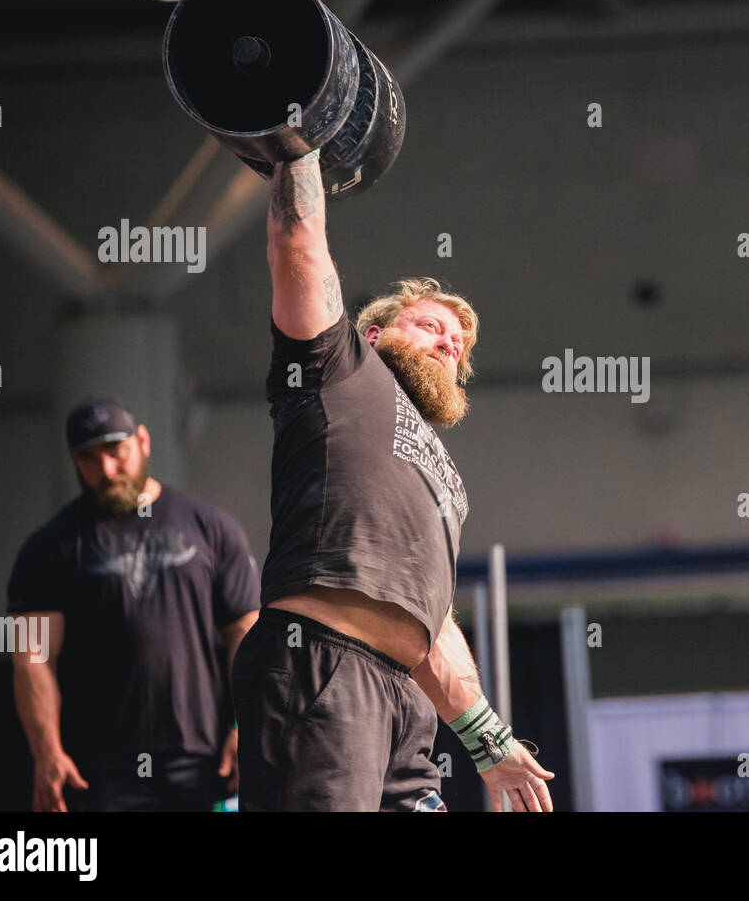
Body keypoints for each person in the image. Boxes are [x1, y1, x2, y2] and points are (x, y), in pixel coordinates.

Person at [232, 150, 554, 811]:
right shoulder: (339, 366)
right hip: (320, 667)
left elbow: (431, 618)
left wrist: (488, 739)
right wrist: (297, 146)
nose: (448, 343)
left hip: (405, 703)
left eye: (457, 344)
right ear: (374, 333)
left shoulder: (447, 477)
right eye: (431, 326)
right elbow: (298, 247)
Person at [8, 398, 260, 811]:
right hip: (97, 770)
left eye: (115, 452)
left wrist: (248, 726)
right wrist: (47, 753)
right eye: (89, 459)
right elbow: (32, 658)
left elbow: (246, 633)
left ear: (142, 441)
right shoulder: (48, 548)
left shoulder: (210, 528)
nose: (106, 470)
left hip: (203, 761)